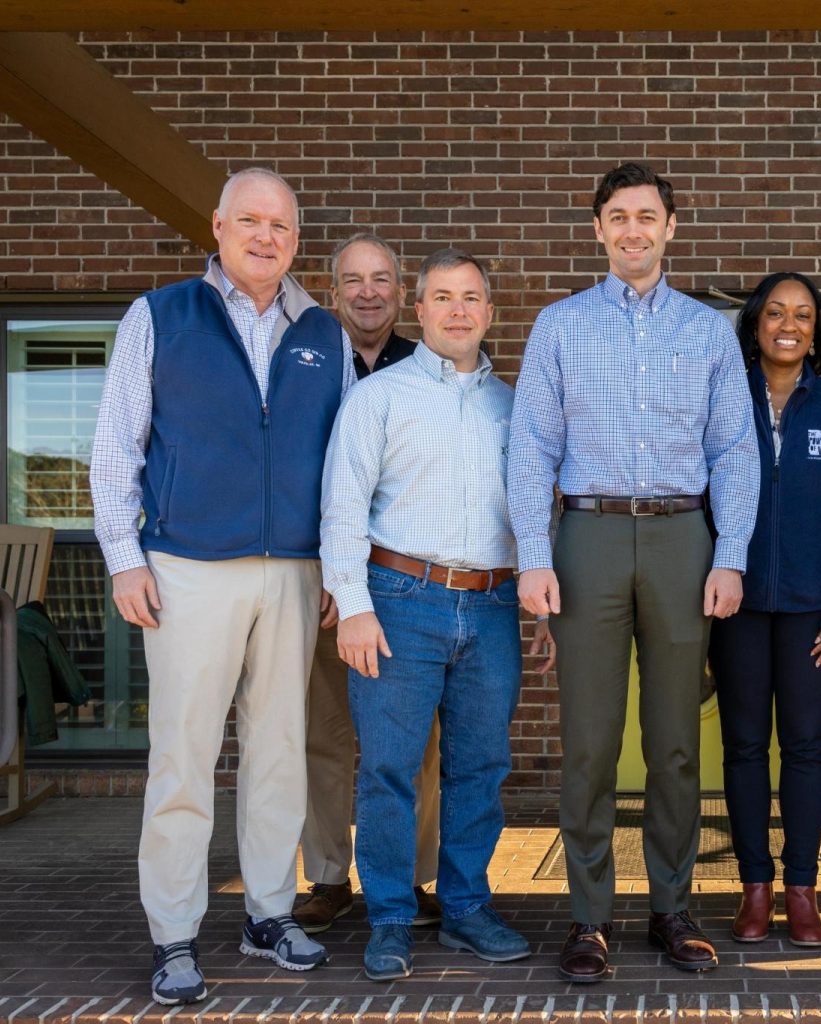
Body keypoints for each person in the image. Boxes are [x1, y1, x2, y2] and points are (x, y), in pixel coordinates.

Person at [90, 167, 351, 1005]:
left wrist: (339, 571)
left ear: (296, 240)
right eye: (250, 221)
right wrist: (124, 556)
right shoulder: (160, 315)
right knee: (184, 755)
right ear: (218, 225)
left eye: (280, 225)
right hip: (188, 568)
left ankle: (269, 914)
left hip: (295, 571)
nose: (265, 236)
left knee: (279, 751)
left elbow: (344, 471)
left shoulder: (325, 334)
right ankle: (173, 933)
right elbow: (115, 446)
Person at [508, 162, 758, 983]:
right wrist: (535, 554)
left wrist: (730, 554)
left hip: (684, 535)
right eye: (618, 216)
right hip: (590, 535)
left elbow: (734, 449)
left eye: (646, 216)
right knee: (588, 741)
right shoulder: (559, 326)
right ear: (598, 229)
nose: (632, 230)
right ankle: (589, 917)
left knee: (676, 742)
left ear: (670, 227)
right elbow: (531, 447)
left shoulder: (707, 331)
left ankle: (671, 908)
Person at [321, 248, 554, 980]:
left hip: (492, 606)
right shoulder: (378, 397)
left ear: (490, 312)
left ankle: (466, 909)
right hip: (399, 601)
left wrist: (541, 607)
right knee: (388, 769)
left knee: (480, 767)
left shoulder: (514, 407)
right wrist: (353, 607)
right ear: (418, 310)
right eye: (443, 297)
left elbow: (533, 512)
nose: (458, 310)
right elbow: (342, 509)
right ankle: (390, 917)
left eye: (471, 297)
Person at [708, 272, 821, 948]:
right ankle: (755, 888)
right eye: (775, 312)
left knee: (804, 748)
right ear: (755, 323)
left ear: (816, 328)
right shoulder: (721, 397)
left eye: (802, 314)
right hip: (735, 607)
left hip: (812, 612)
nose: (788, 325)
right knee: (743, 747)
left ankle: (802, 888)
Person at [293, 233, 442, 935]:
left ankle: (412, 877)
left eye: (381, 278)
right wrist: (331, 572)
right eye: (353, 280)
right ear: (333, 292)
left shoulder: (431, 364)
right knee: (323, 730)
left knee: (417, 740)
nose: (368, 292)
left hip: (408, 582)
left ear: (402, 292)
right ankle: (328, 876)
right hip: (328, 583)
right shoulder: (305, 366)